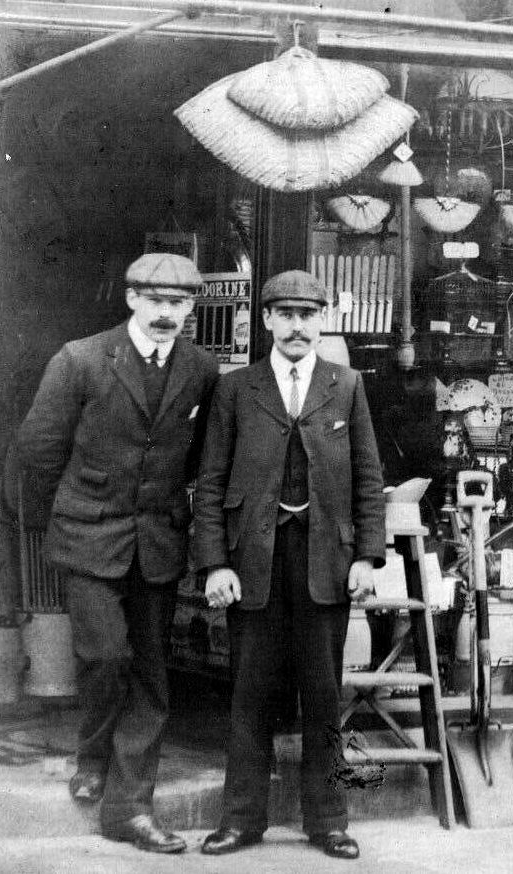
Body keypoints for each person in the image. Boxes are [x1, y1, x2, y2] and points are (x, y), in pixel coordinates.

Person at [14, 253, 220, 853]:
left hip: (157, 542)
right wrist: (78, 509)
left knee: (152, 674)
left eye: (179, 303)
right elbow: (39, 450)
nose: (166, 313)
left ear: (190, 309)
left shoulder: (201, 369)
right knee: (106, 657)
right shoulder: (80, 359)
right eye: (155, 299)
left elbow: (203, 455)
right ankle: (94, 752)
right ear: (131, 299)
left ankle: (129, 807)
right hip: (88, 537)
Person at [192, 270, 384, 860]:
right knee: (250, 693)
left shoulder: (345, 385)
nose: (298, 325)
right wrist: (215, 565)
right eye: (286, 313)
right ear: (267, 321)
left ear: (321, 320)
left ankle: (328, 821)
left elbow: (369, 479)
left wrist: (368, 557)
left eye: (308, 314)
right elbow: (210, 484)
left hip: (325, 561)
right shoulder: (237, 389)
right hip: (254, 562)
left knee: (325, 696)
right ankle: (241, 819)